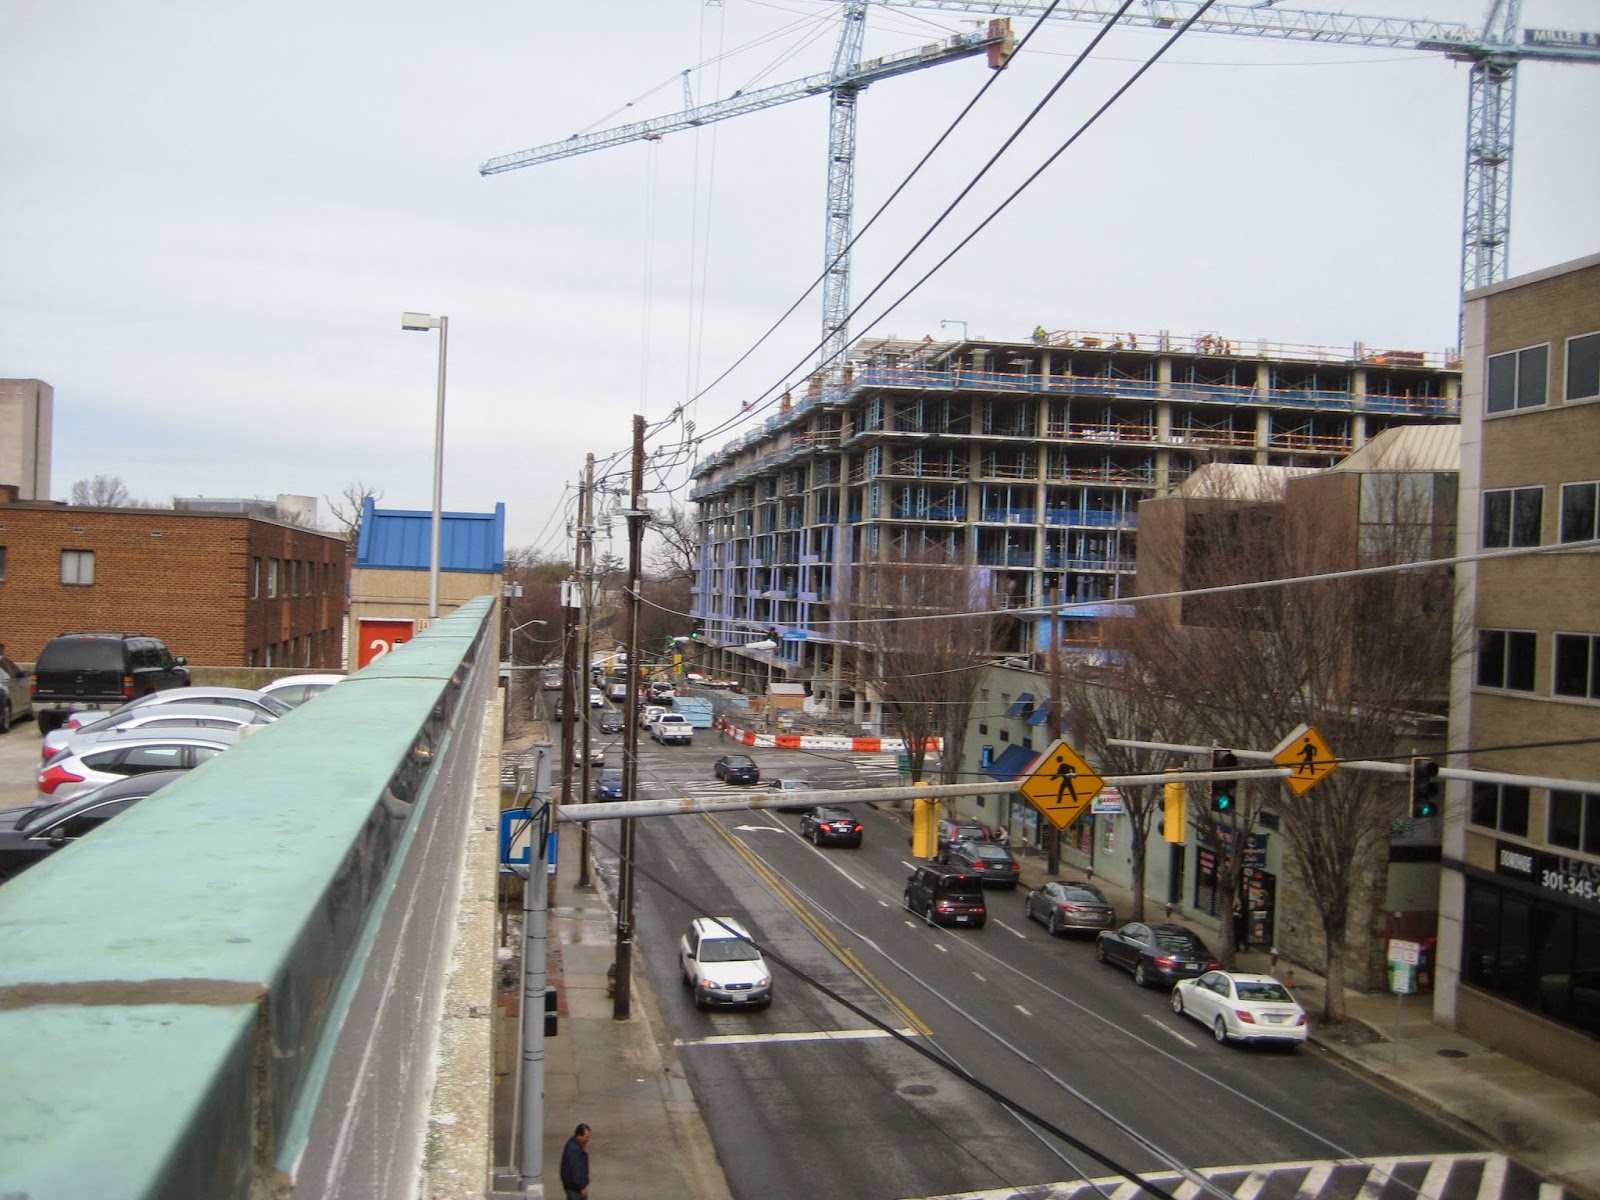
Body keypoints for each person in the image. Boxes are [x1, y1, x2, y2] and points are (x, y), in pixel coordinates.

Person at [560, 1122, 591, 1200]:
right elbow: (575, 1170)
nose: (588, 1140)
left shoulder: (576, 1145)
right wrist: (582, 1187)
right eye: (586, 1137)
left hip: (573, 1186)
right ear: (579, 1136)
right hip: (574, 1188)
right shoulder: (574, 1150)